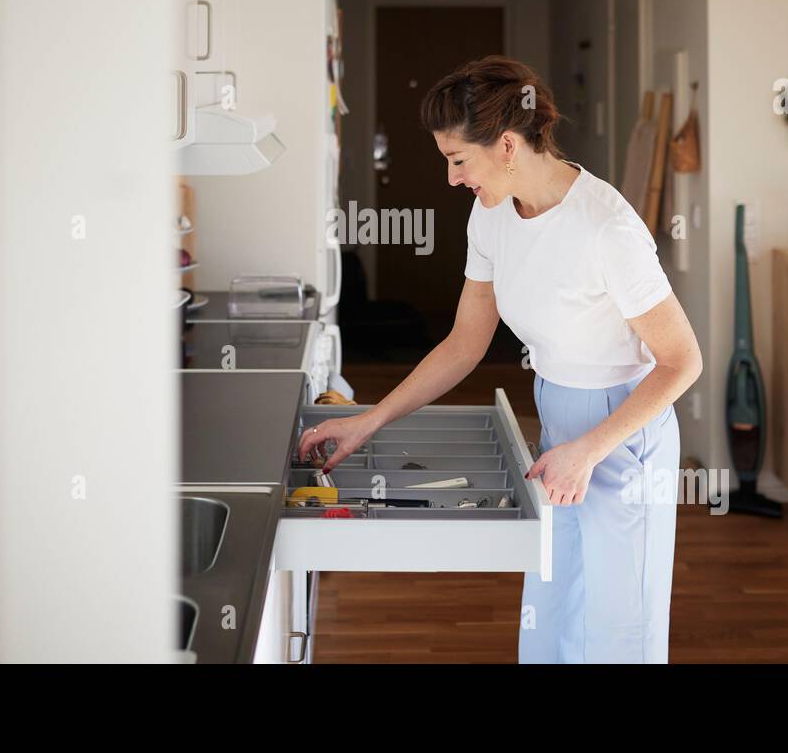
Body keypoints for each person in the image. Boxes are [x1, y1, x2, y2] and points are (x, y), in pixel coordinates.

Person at [297, 55, 702, 663]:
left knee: (621, 628)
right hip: (558, 424)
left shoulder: (606, 228)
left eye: (459, 161)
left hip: (622, 434)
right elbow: (465, 343)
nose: (453, 179)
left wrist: (589, 450)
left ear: (508, 145)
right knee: (553, 606)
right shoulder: (491, 216)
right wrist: (369, 418)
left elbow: (682, 361)